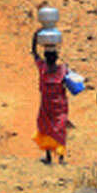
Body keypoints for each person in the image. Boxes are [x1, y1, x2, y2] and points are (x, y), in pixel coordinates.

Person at [31, 30, 70, 165]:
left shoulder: (42, 67)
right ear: (56, 57)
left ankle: (48, 156)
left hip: (46, 104)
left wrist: (34, 39)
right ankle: (60, 157)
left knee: (46, 127)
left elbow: (35, 54)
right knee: (59, 128)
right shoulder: (63, 69)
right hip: (59, 105)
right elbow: (72, 82)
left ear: (46, 58)